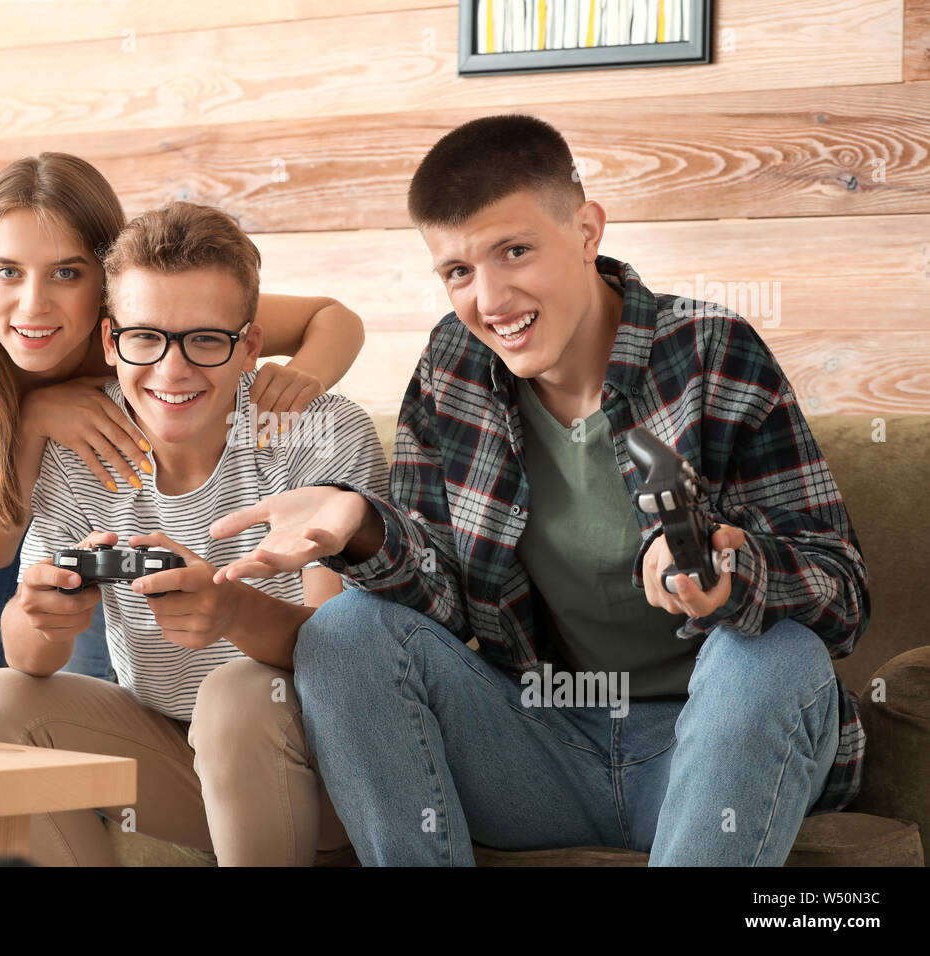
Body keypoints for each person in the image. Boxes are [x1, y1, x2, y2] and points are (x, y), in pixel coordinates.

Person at [209, 114, 871, 866]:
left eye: (514, 251)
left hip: (712, 750)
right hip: (541, 746)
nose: (489, 299)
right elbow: (446, 600)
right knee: (343, 631)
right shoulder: (454, 364)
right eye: (458, 271)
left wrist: (733, 578)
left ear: (587, 231)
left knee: (774, 654)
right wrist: (363, 525)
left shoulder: (711, 350)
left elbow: (843, 598)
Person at [0, 154, 368, 859]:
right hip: (7, 490)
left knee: (224, 694)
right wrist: (32, 428)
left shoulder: (279, 402)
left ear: (102, 295)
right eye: (7, 271)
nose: (34, 305)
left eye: (67, 273)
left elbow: (332, 318)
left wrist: (302, 389)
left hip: (306, 752)